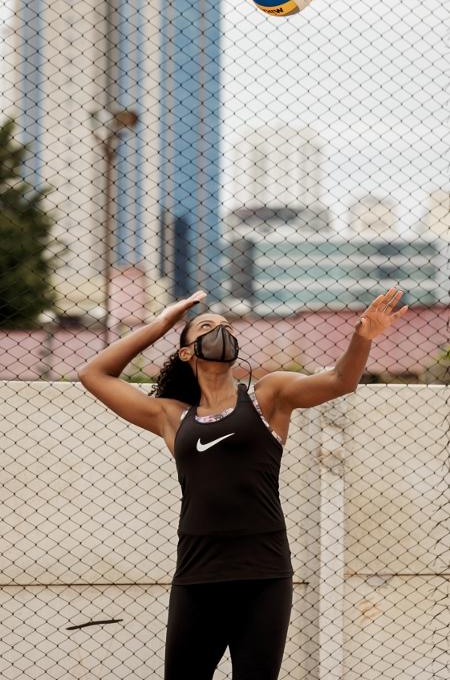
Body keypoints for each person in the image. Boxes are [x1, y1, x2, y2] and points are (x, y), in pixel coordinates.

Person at [77, 287, 407, 679]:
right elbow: (92, 374)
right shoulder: (171, 417)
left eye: (227, 326)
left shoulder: (268, 395)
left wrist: (363, 336)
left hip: (263, 574)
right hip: (198, 573)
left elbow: (340, 380)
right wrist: (163, 323)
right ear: (186, 352)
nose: (221, 330)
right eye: (206, 326)